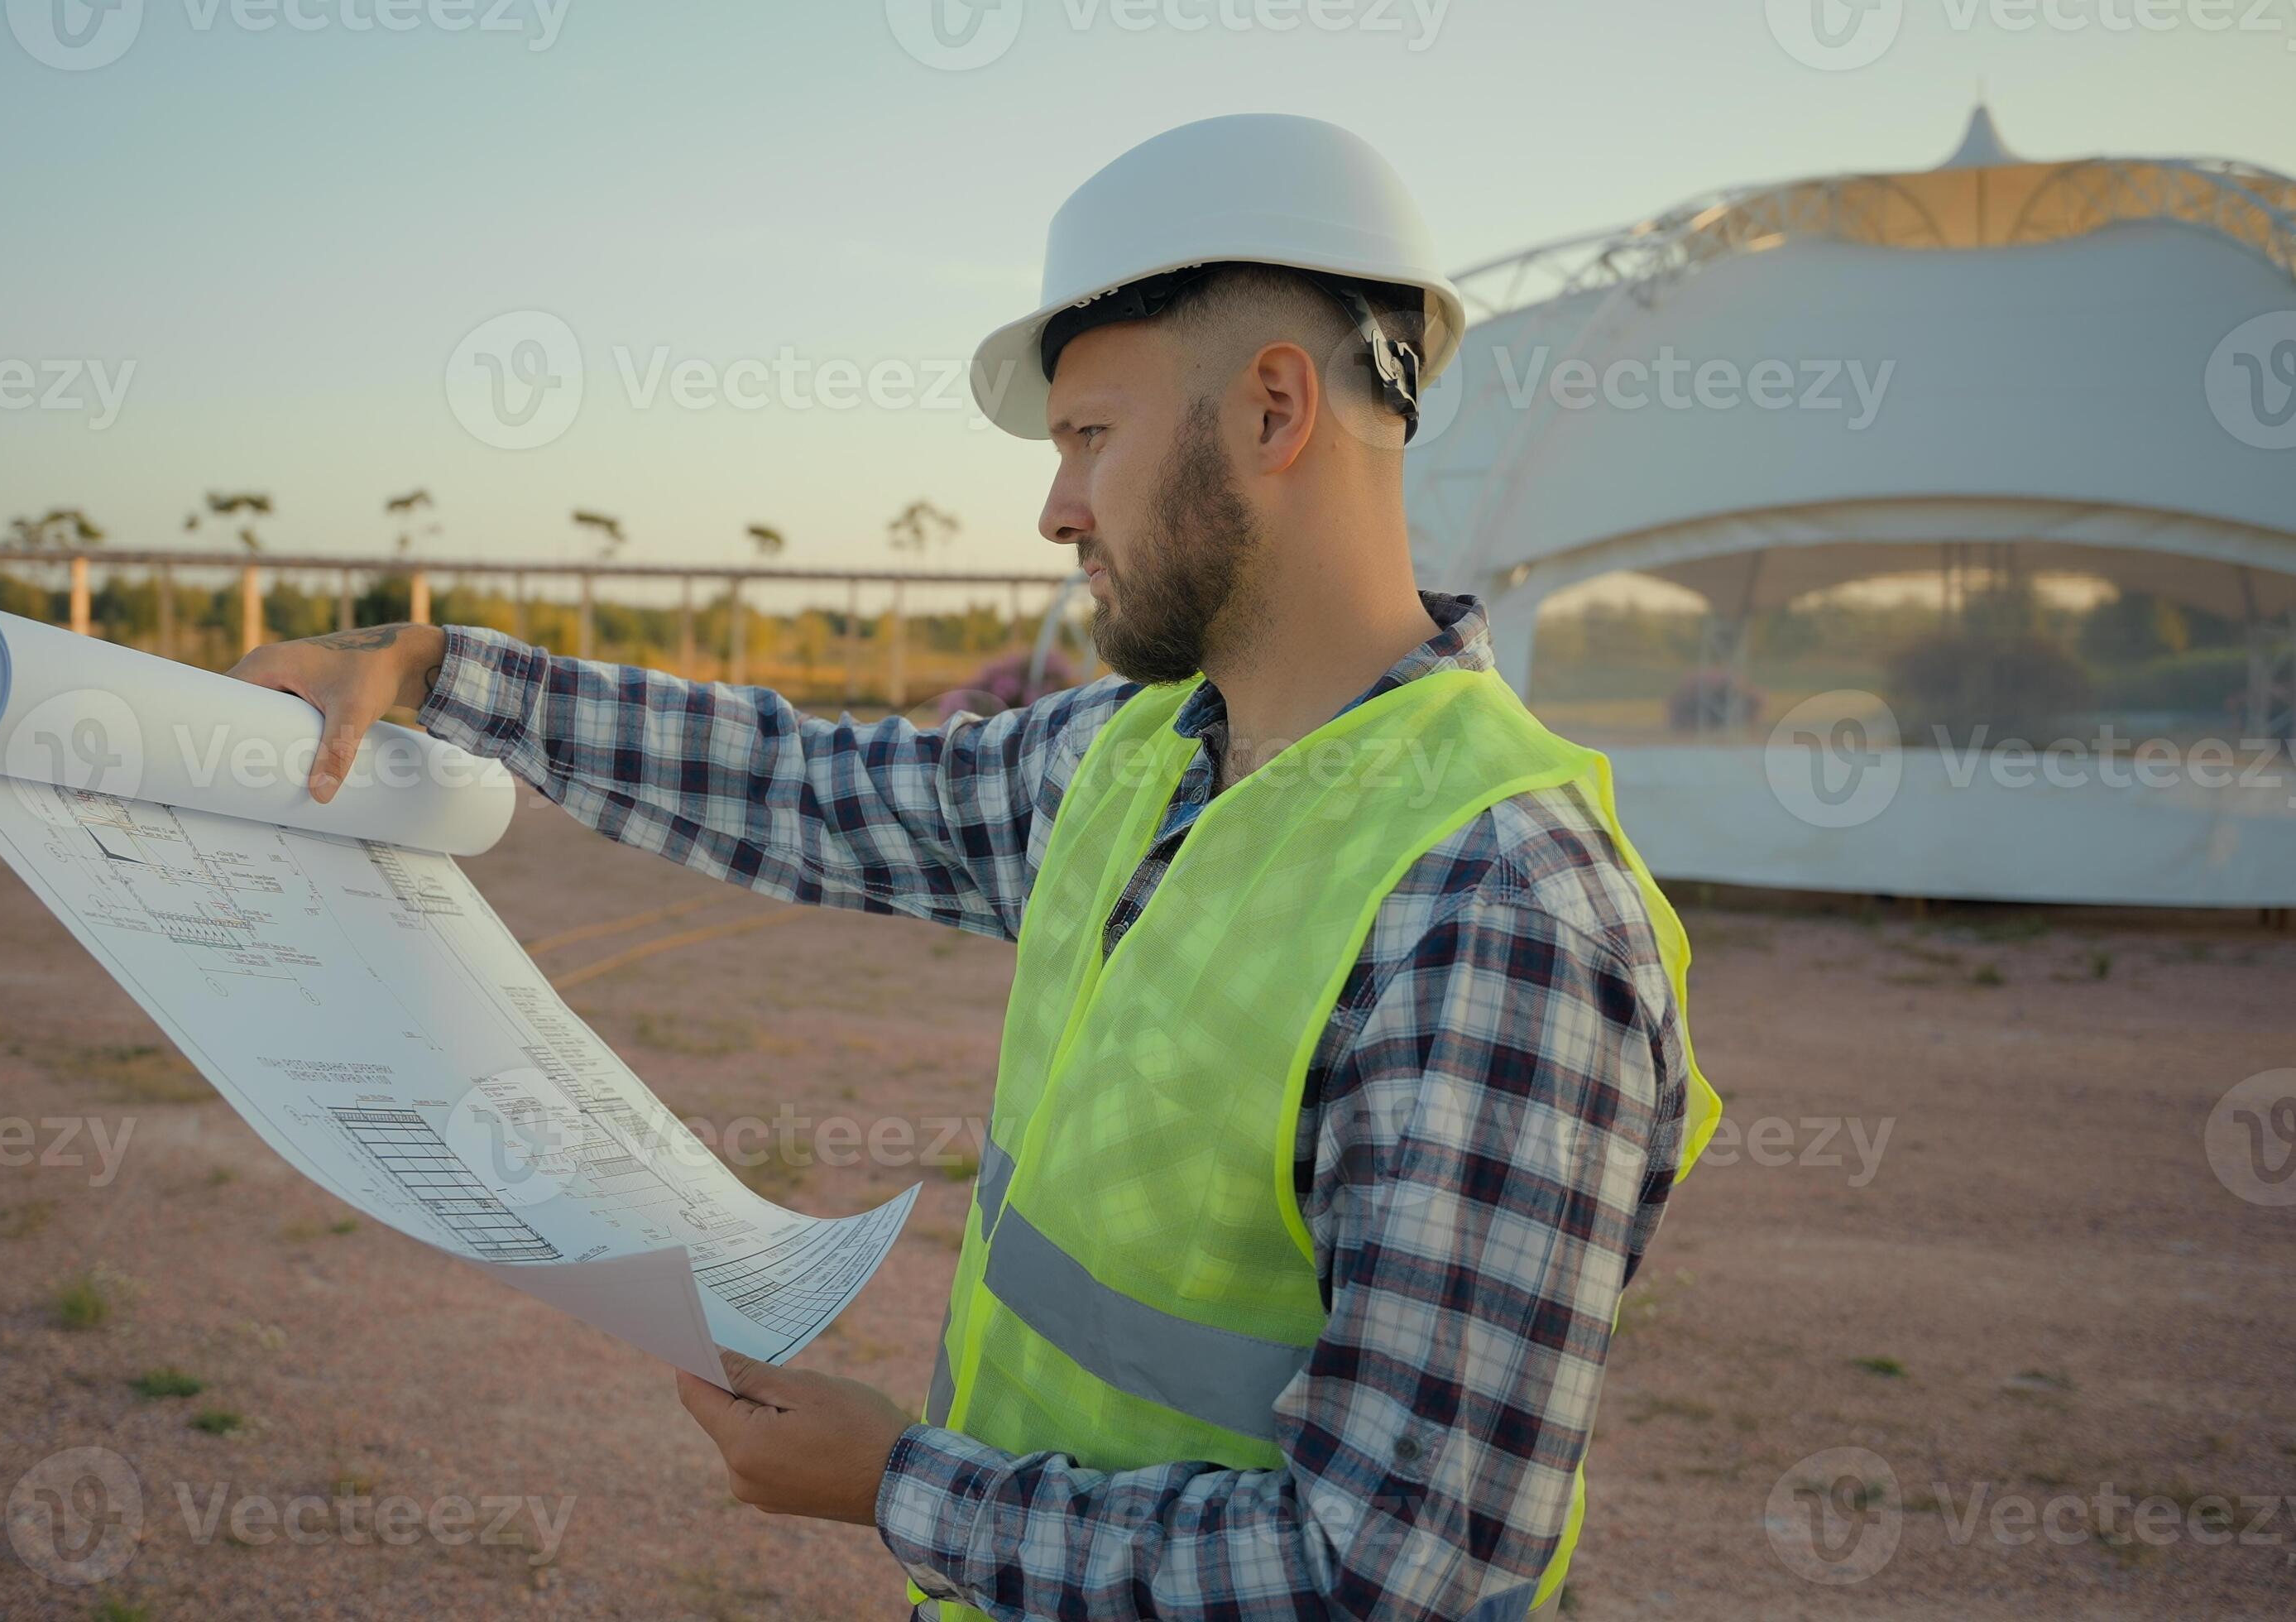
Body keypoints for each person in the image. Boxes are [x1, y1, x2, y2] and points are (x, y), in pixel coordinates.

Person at [230, 113, 1719, 1622]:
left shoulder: (1497, 915)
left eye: (1089, 436)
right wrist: (437, 671)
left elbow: (1388, 1575)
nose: (1054, 507)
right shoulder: (1126, 759)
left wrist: (901, 1490)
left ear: (1274, 408)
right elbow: (802, 787)